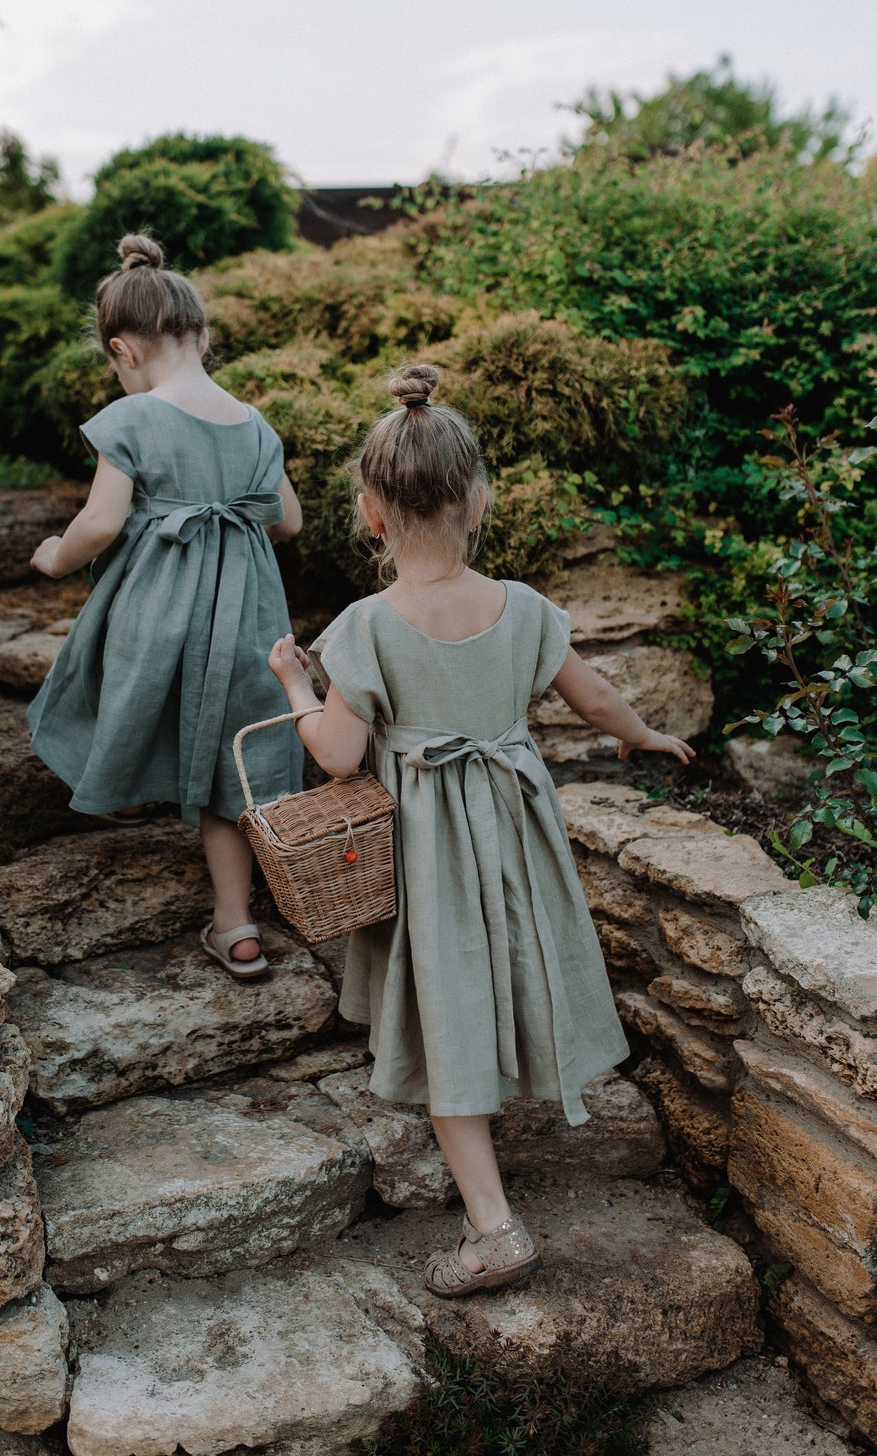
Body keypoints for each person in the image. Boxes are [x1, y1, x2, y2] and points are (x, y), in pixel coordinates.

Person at [267, 363, 694, 1298]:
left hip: (429, 845)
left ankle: (494, 1226)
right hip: (514, 822)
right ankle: (527, 1115)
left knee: (448, 1007)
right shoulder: (525, 609)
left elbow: (339, 754)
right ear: (479, 499)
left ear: (371, 512)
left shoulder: (364, 627)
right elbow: (597, 695)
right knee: (520, 956)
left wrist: (296, 685)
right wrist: (645, 735)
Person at [28, 233, 304, 980]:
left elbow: (101, 523)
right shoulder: (254, 424)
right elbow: (288, 523)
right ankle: (237, 923)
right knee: (228, 760)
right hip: (245, 613)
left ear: (121, 348)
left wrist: (55, 553)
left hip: (157, 609)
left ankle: (121, 789)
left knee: (118, 684)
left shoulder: (133, 420)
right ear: (202, 335)